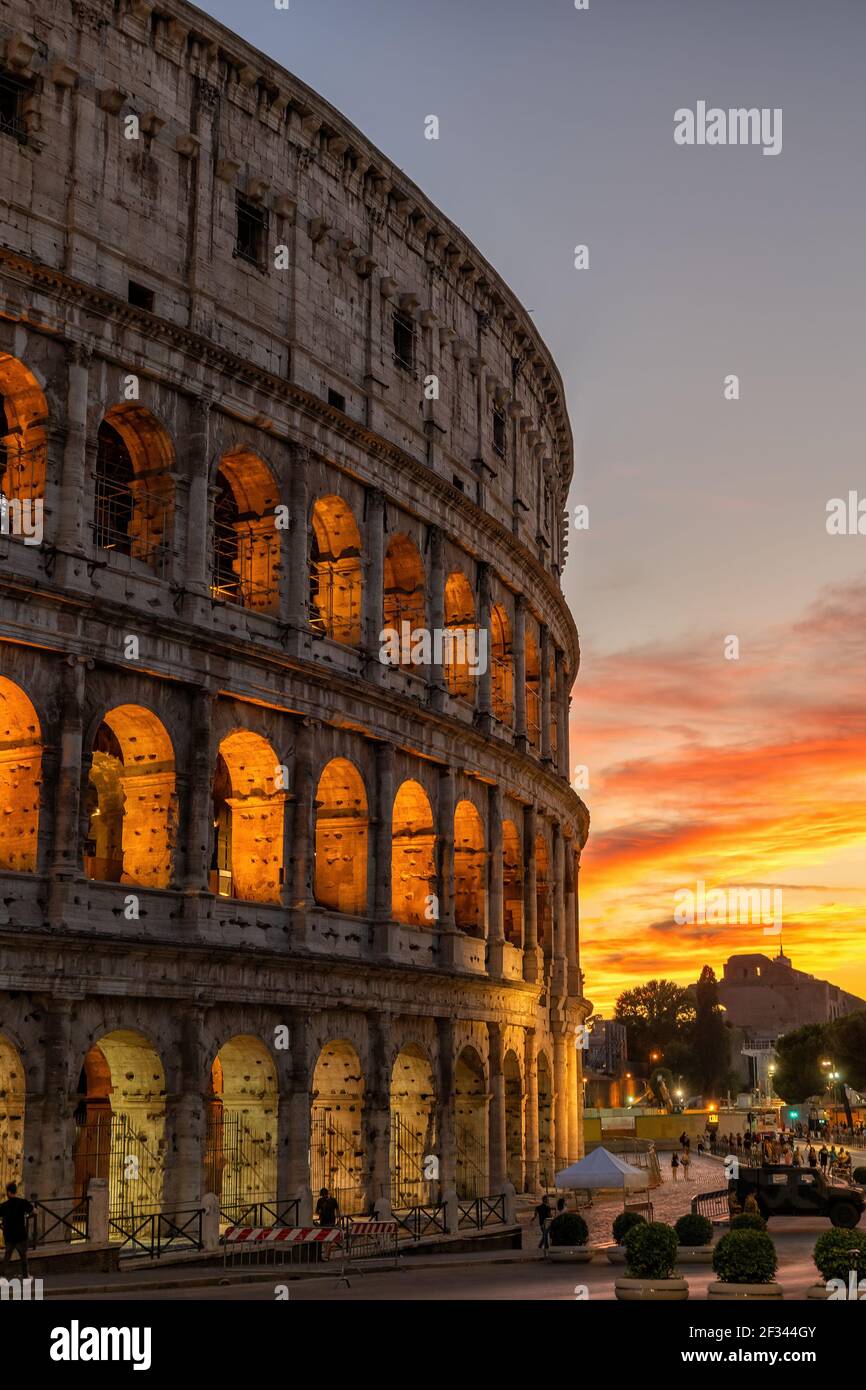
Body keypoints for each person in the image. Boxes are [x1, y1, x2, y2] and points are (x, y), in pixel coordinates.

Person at [0, 1182, 33, 1278]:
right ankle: (25, 1276)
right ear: (15, 1191)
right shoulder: (22, 1202)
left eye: (7, 1192)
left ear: (9, 1192)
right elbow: (34, 1211)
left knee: (7, 1257)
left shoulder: (4, 1205)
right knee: (23, 1257)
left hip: (9, 1236)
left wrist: (2, 1226)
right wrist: (27, 1216)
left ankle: (1, 1276)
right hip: (20, 1235)